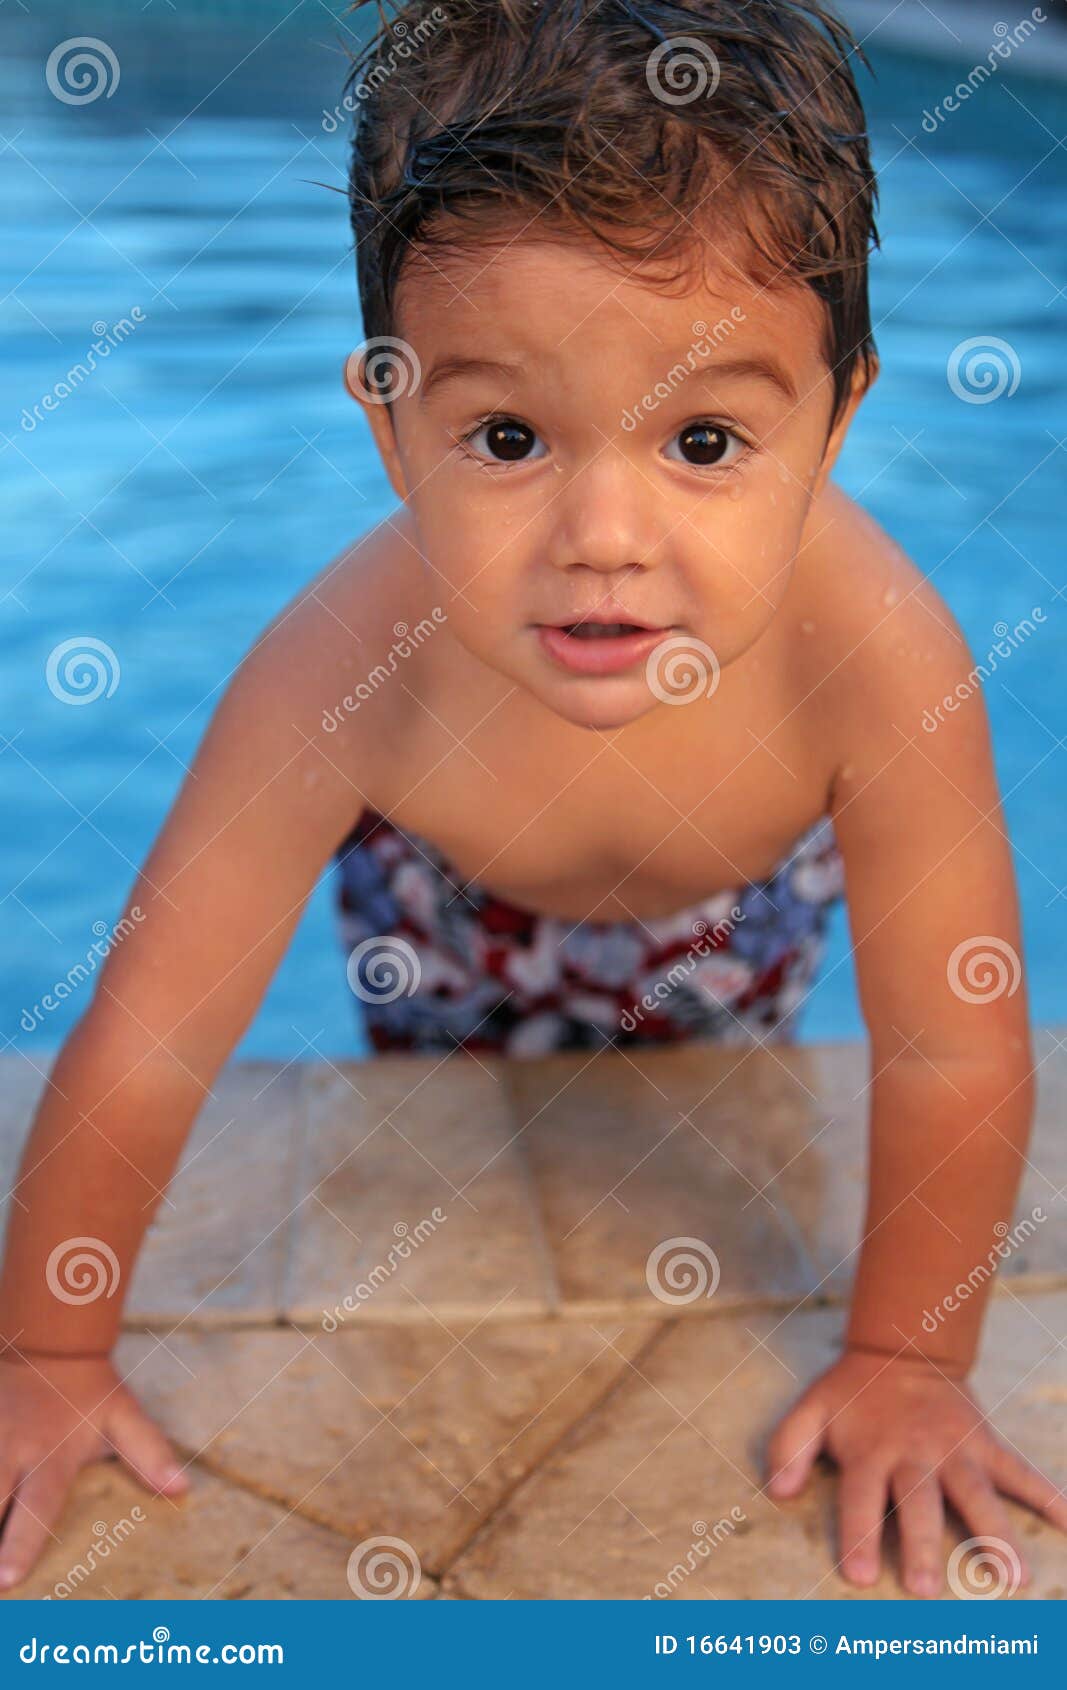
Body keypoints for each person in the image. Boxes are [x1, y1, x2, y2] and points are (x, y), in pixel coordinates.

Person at [1, 0, 1062, 1598]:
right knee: (448, 1161)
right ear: (386, 425)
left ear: (836, 419)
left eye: (705, 438)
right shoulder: (343, 668)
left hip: (738, 921)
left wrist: (914, 1355)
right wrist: (44, 1348)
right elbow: (151, 1038)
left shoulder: (882, 655)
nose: (604, 536)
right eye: (507, 435)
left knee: (705, 1102)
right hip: (450, 925)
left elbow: (949, 1040)